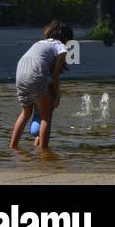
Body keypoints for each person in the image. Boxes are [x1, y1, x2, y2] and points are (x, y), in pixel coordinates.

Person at [10, 21, 74, 151]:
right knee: (46, 115)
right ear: (66, 38)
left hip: (20, 74)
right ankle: (44, 152)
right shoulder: (61, 46)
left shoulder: (39, 43)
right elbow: (55, 75)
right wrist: (57, 96)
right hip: (35, 75)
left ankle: (13, 146)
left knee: (26, 112)